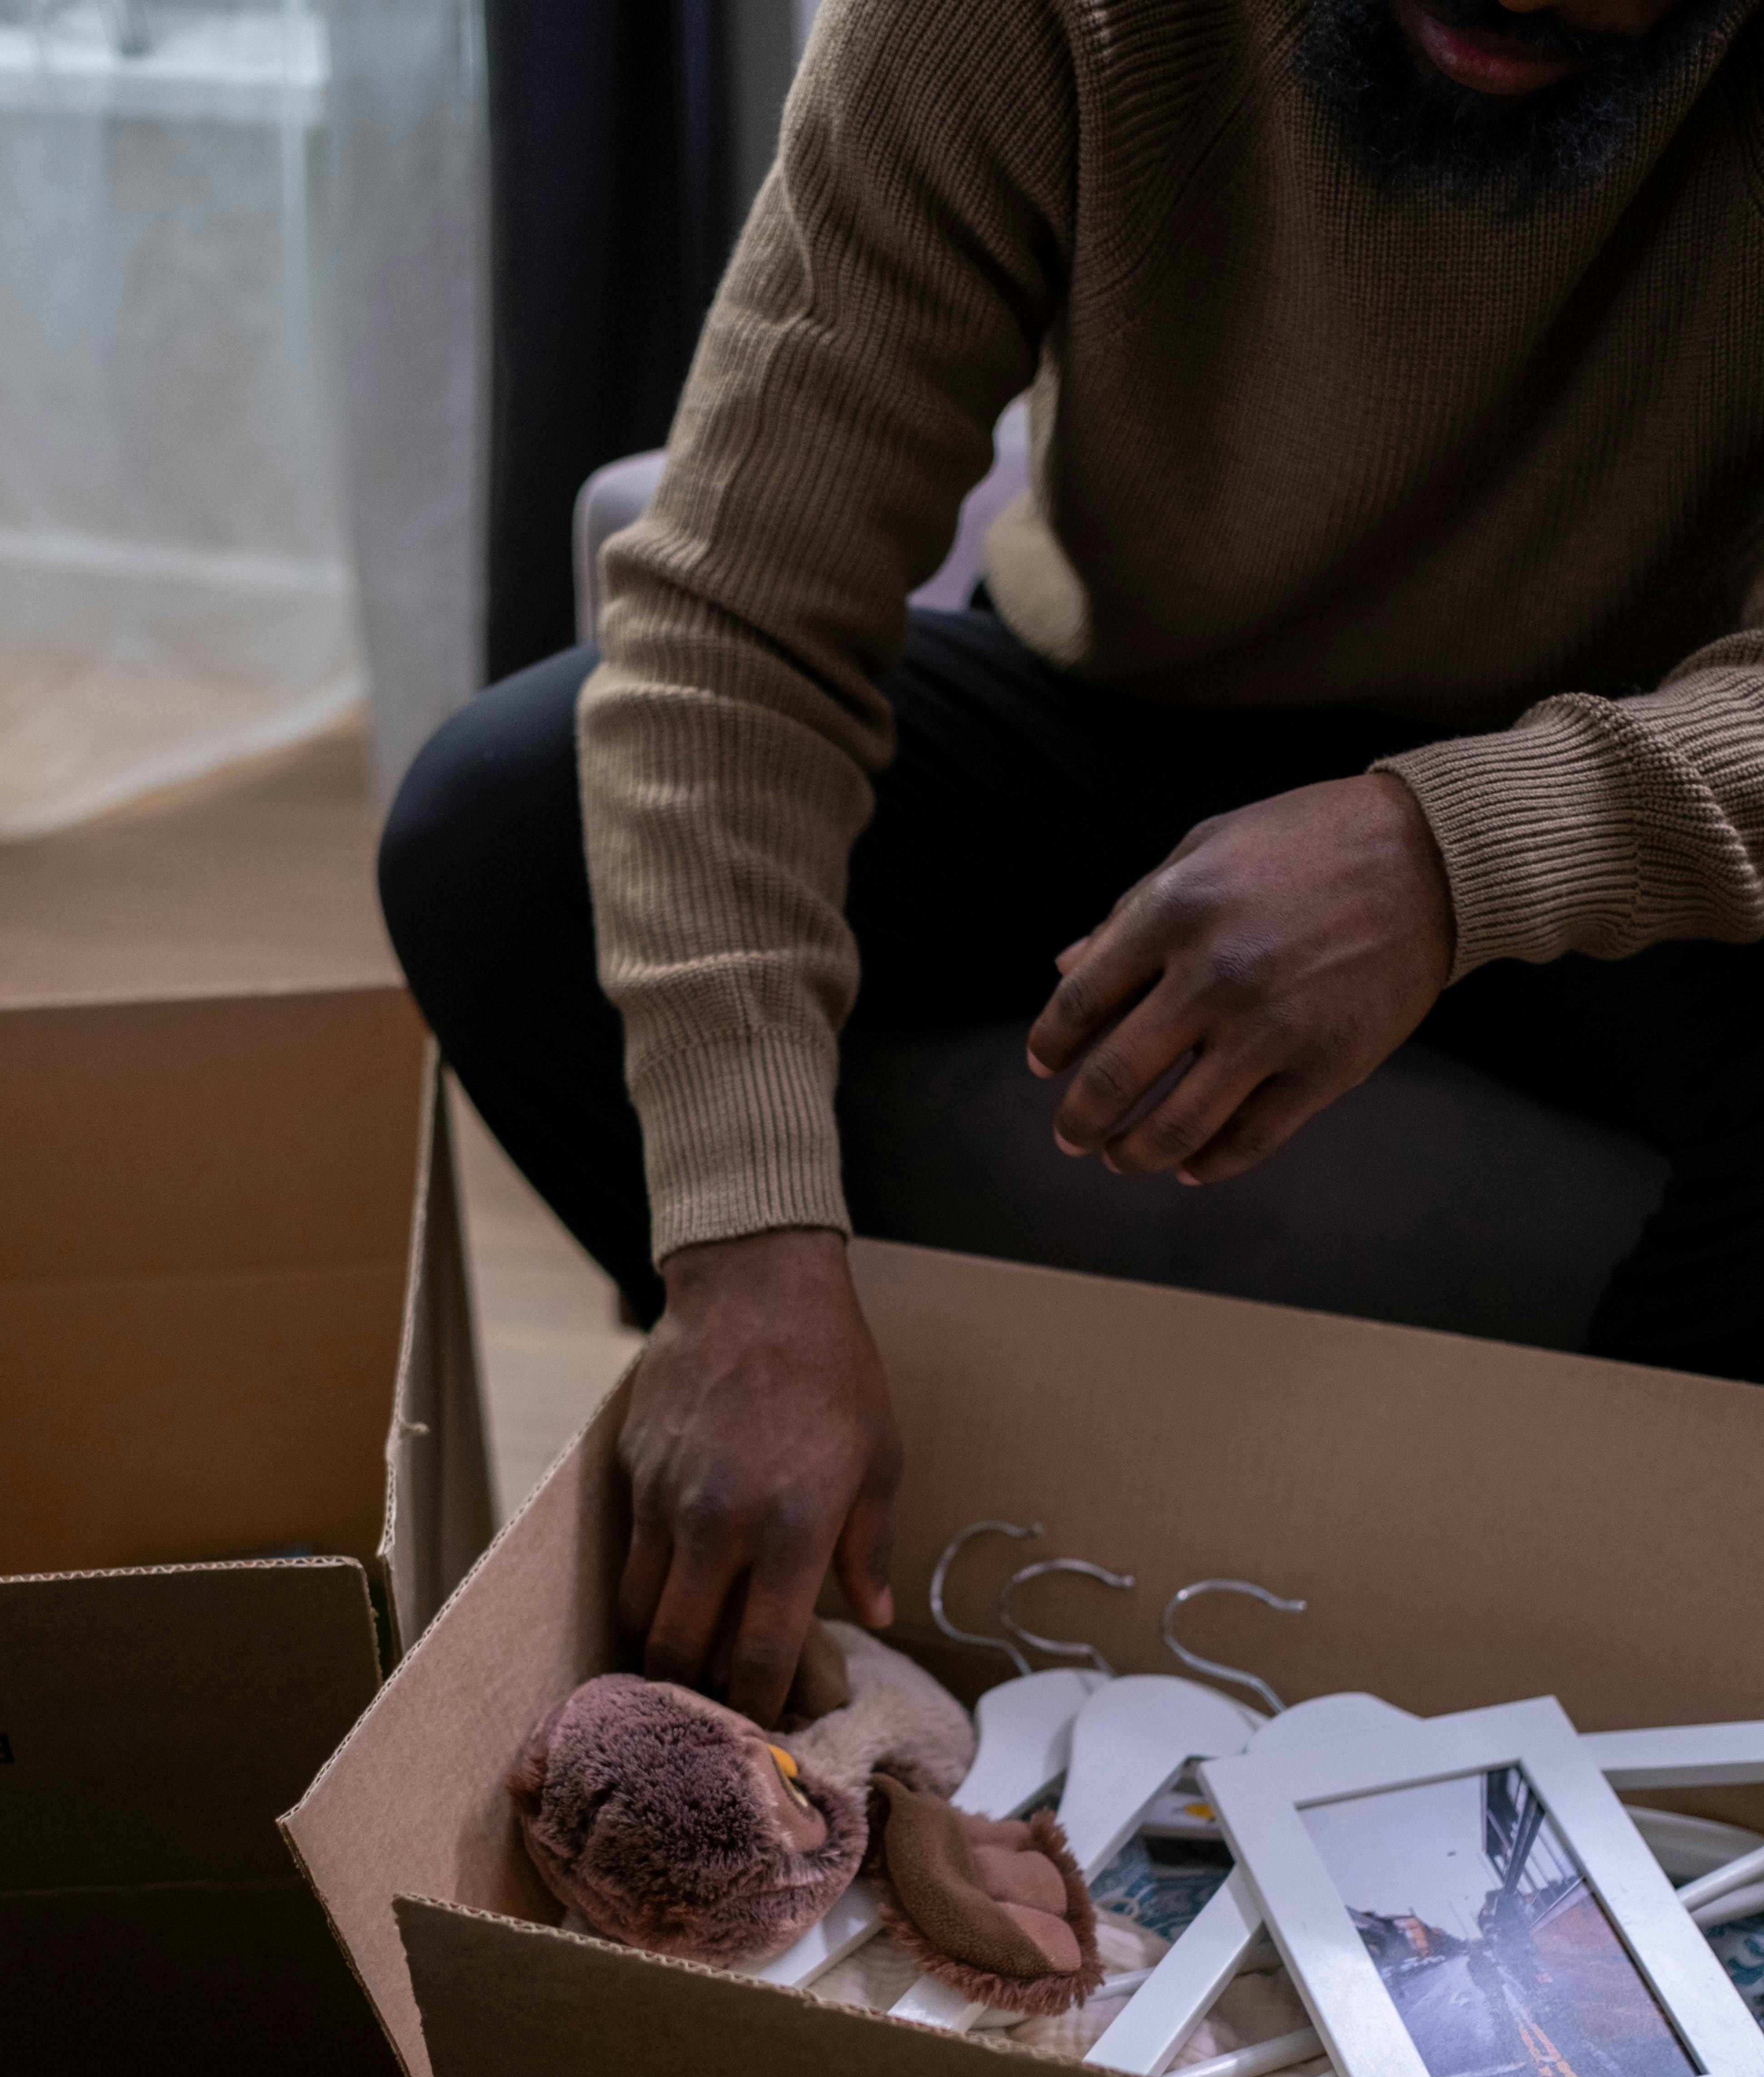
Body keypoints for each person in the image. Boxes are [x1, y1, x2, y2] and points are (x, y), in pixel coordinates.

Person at [383, 0, 1764, 1731]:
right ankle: (894, 1552)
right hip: (1128, 717)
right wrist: (749, 1254)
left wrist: (1446, 851)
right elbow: (732, 619)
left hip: (1632, 810)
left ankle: (1619, 1672)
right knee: (503, 827)